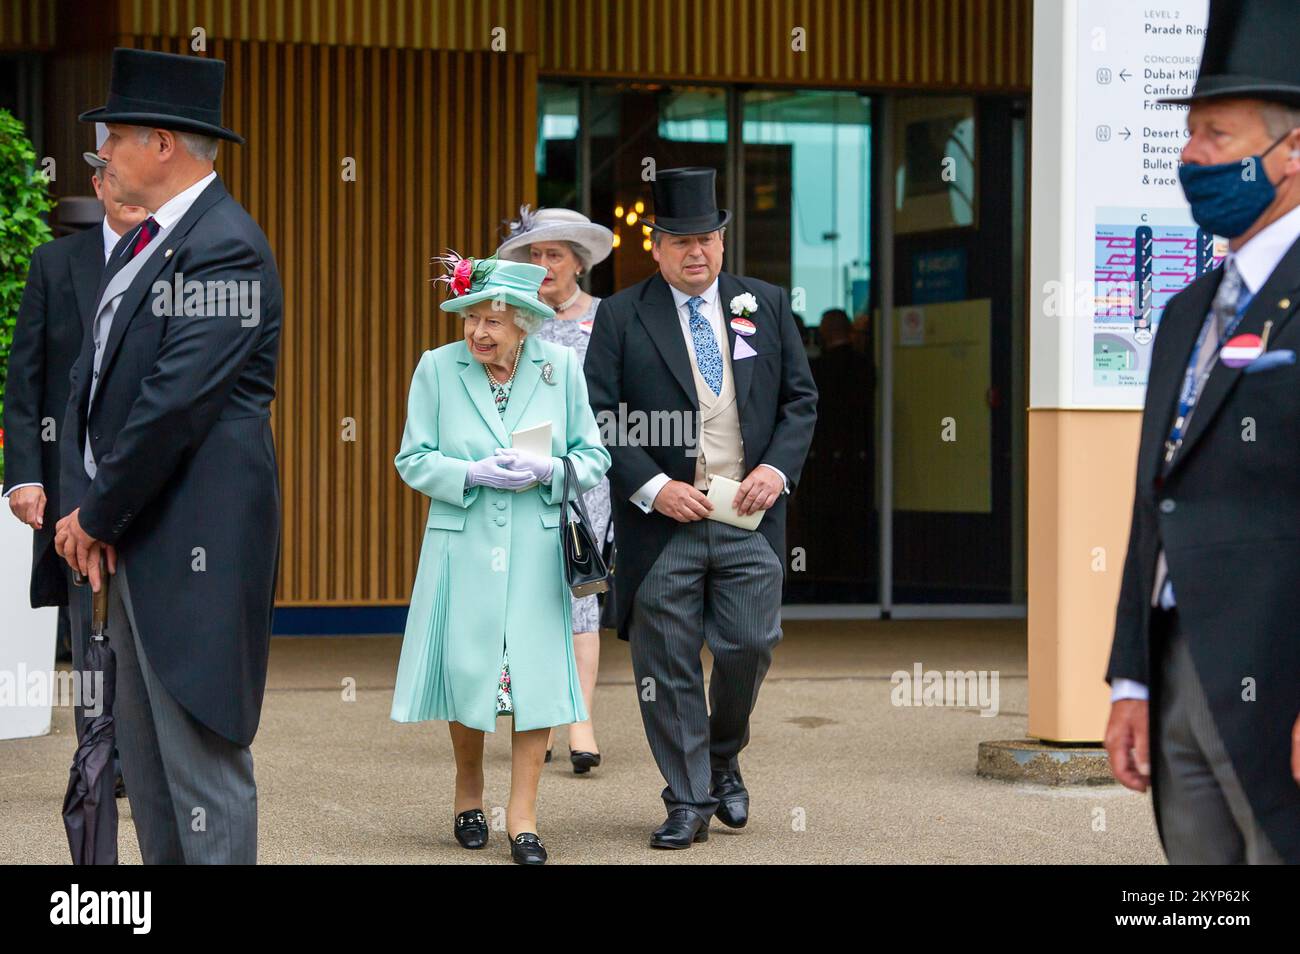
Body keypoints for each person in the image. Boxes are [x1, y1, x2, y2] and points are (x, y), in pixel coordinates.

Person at [53, 48, 283, 864]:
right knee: (146, 775)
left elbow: (172, 406)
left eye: (110, 137)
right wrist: (92, 506)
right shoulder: (147, 245)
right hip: (135, 541)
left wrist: (95, 510)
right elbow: (93, 386)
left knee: (203, 771)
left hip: (196, 551)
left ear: (160, 143)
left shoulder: (226, 247)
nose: (102, 156)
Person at [1104, 0, 1300, 864]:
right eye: (1189, 135)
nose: (1191, 157)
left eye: (1216, 136)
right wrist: (1133, 677)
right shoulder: (1188, 310)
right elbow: (1158, 502)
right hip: (1180, 668)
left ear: (1292, 152)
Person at [585, 167, 817, 848]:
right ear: (655, 246)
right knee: (668, 663)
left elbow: (800, 400)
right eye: (680, 239)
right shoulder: (622, 315)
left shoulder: (765, 304)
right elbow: (599, 415)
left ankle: (722, 756)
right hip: (665, 524)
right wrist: (655, 488)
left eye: (707, 238)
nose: (696, 251)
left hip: (748, 516)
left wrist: (776, 469)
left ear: (722, 241)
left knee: (748, 646)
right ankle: (687, 797)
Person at [390, 255, 610, 865]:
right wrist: (468, 472)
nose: (479, 333)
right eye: (470, 320)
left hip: (536, 550)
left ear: (524, 324)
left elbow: (594, 456)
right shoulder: (437, 369)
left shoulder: (560, 368)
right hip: (462, 546)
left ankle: (524, 817)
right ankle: (469, 792)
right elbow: (412, 459)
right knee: (470, 672)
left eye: (494, 321)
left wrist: (552, 470)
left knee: (533, 681)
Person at [5, 123, 147, 735]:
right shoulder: (55, 262)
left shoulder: (179, 260)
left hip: (149, 472)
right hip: (71, 476)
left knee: (142, 616)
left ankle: (140, 747)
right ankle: (98, 747)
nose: (128, 189)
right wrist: (25, 479)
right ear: (97, 183)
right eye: (114, 178)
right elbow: (25, 377)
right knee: (83, 615)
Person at [497, 205, 614, 774]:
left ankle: (581, 721)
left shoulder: (607, 318)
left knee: (580, 591)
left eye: (555, 255)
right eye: (534, 255)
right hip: (524, 459)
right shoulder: (513, 315)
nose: (543, 265)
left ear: (579, 263)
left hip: (583, 466)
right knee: (527, 594)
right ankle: (533, 718)